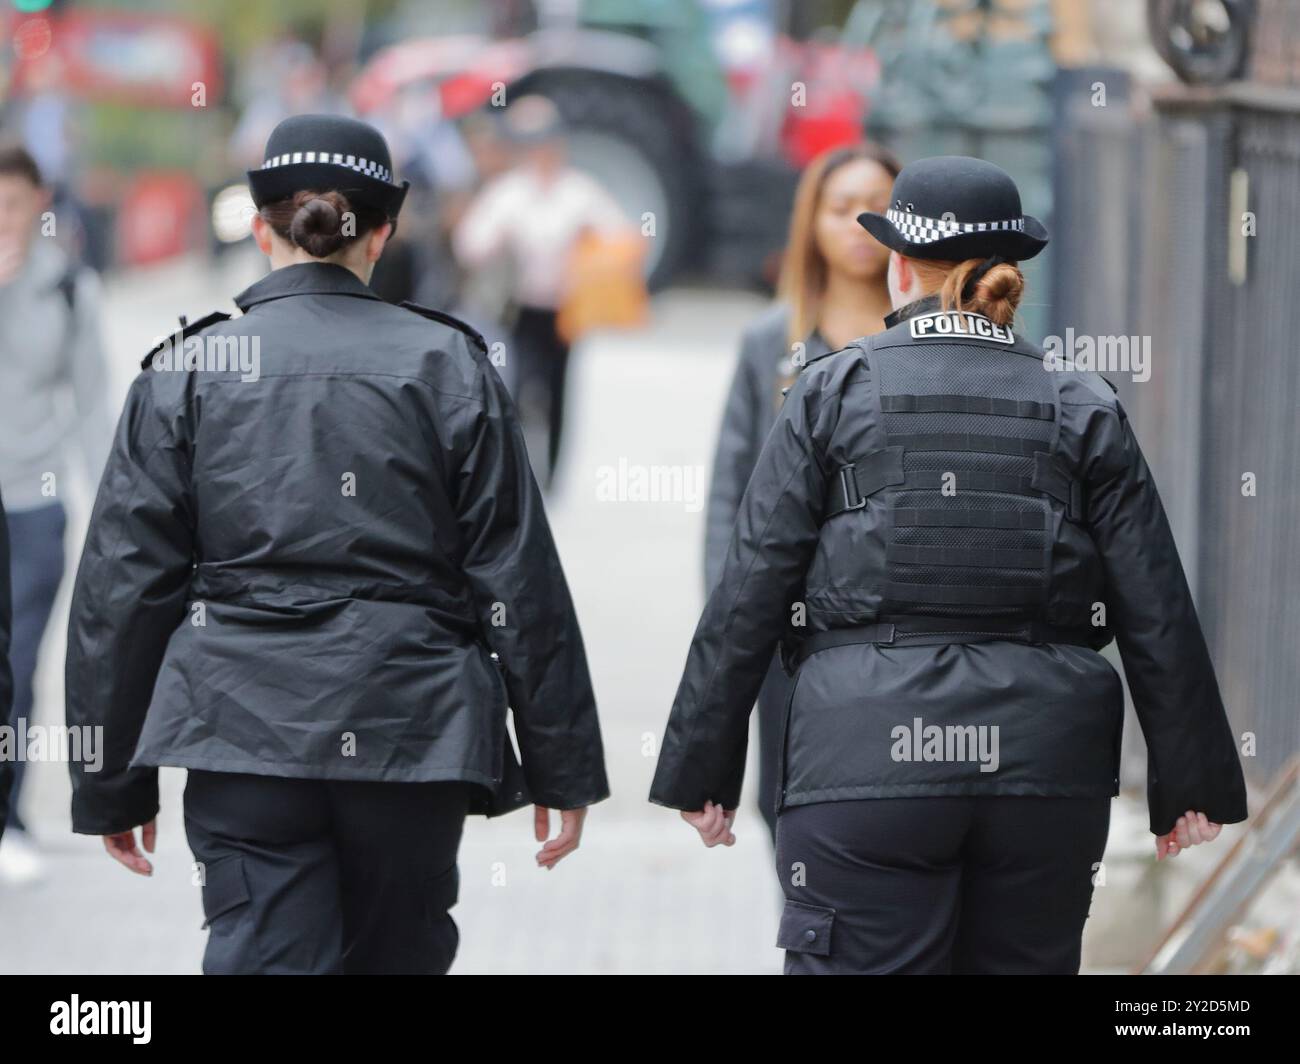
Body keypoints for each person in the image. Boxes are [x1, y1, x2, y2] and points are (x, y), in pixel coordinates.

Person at [649, 155, 1249, 974]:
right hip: (1044, 769)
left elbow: (750, 585)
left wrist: (702, 765)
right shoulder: (1082, 403)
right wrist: (1192, 781)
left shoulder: (831, 392)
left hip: (864, 764)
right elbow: (1156, 604)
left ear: (898, 265)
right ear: (1013, 274)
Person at [64, 114, 610, 975]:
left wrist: (109, 782)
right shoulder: (451, 365)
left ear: (257, 226)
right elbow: (517, 577)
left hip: (244, 730)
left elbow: (123, 589)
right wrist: (563, 764)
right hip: (410, 729)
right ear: (383, 233)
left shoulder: (188, 369)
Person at [705, 142, 900, 846]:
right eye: (840, 208)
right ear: (811, 222)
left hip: (900, 629)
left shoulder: (928, 340)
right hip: (791, 631)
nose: (857, 225)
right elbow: (732, 492)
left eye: (875, 207)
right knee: (788, 808)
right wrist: (731, 632)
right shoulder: (770, 343)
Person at [0, 144, 113, 883]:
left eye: (12, 203)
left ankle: (7, 817)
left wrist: (114, 507)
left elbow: (94, 404)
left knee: (16, 664)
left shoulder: (68, 285)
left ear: (38, 202)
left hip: (33, 505)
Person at [452, 95, 628, 492]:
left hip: (565, 311)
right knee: (517, 384)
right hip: (519, 310)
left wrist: (588, 250)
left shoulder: (579, 191)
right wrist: (501, 240)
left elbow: (619, 239)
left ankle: (552, 474)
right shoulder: (509, 193)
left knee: (559, 389)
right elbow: (471, 244)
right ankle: (517, 466)